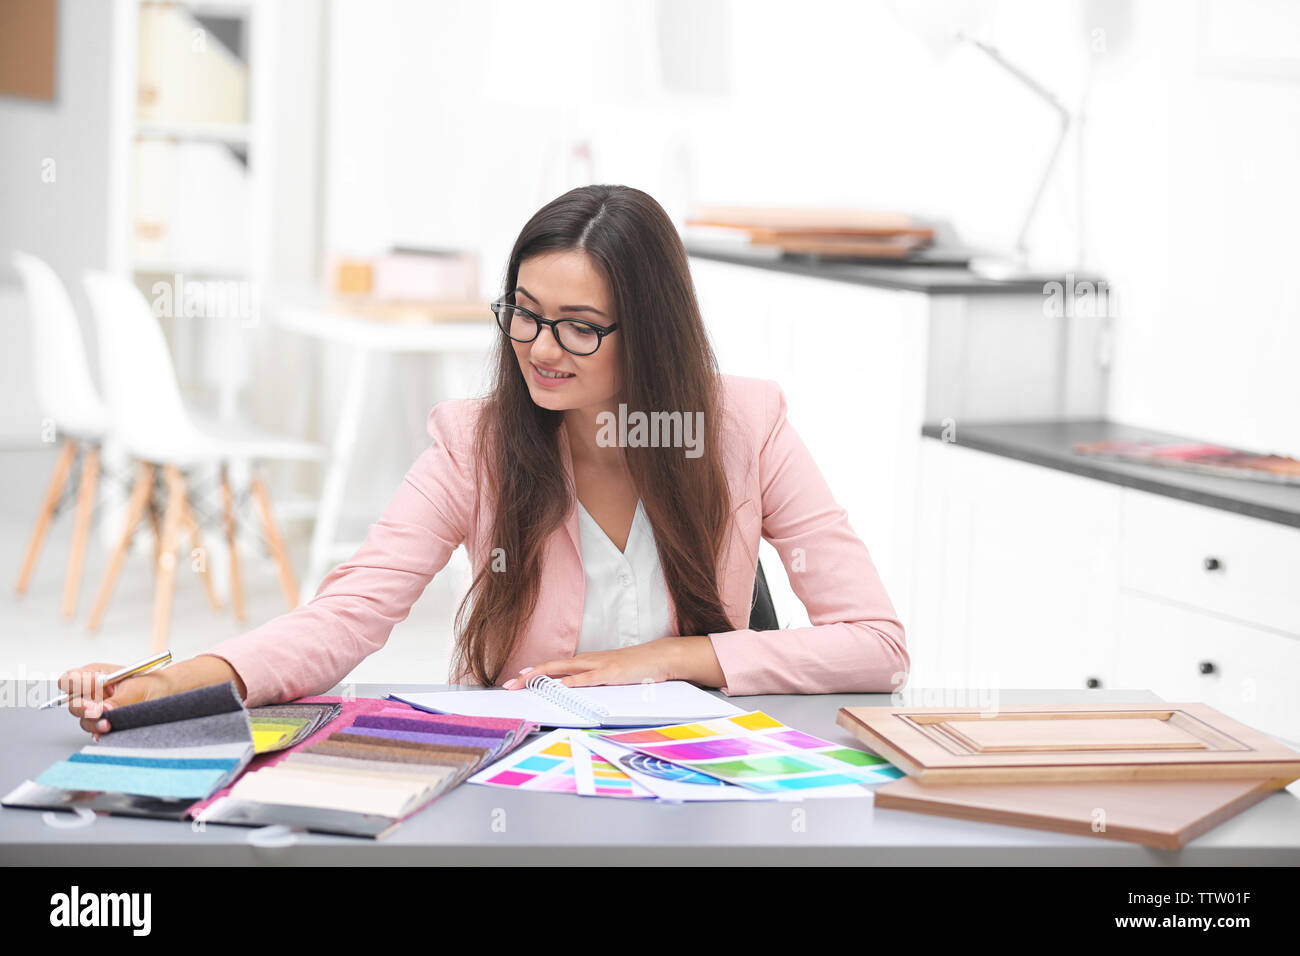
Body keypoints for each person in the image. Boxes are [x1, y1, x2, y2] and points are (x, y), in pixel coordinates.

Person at [61, 184, 907, 737]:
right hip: (525, 777)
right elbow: (346, 615)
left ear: (650, 332)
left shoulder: (745, 427)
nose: (541, 349)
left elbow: (876, 643)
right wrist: (178, 685)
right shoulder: (475, 443)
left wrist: (675, 658)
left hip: (699, 782)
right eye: (525, 314)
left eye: (580, 325)